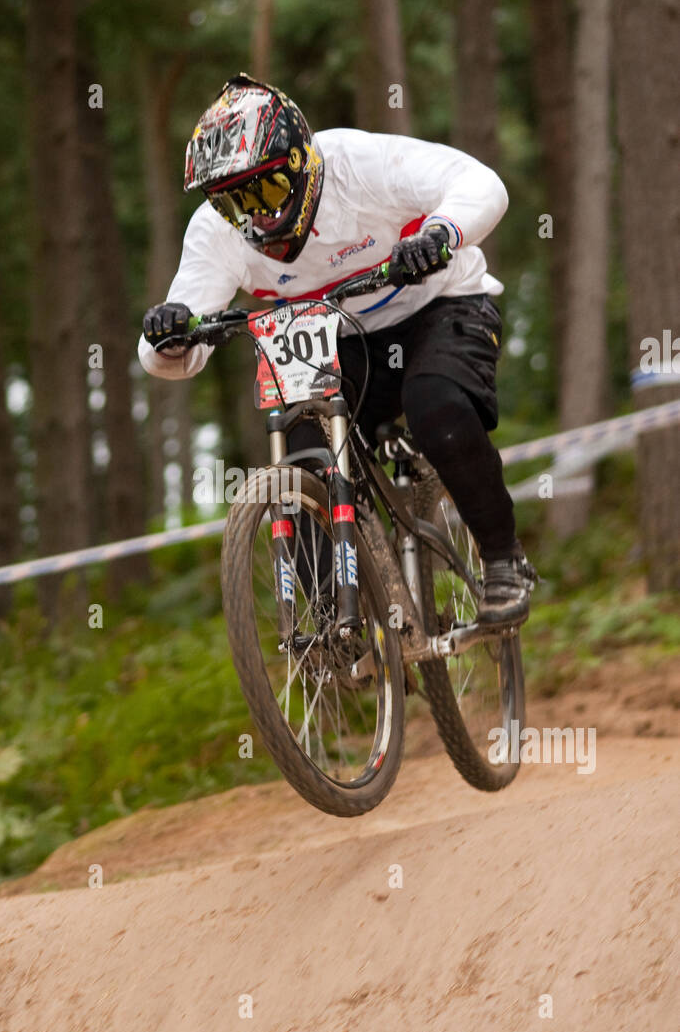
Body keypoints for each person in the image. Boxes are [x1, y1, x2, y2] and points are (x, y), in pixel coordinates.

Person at [139, 73, 530, 625]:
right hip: (334, 340)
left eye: (266, 191)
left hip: (436, 306)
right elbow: (170, 355)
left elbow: (480, 181)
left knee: (435, 402)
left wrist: (442, 234)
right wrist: (170, 332)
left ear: (304, 164)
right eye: (234, 202)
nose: (256, 217)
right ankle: (336, 624)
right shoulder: (217, 230)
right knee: (301, 455)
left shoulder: (357, 163)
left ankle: (502, 560)